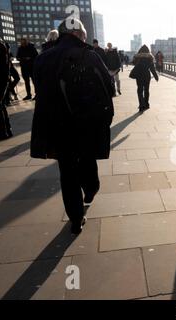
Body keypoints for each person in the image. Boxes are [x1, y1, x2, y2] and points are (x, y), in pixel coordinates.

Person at [31, 18, 114, 235]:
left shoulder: (42, 58)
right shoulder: (89, 56)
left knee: (66, 171)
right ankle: (91, 188)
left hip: (55, 126)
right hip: (85, 123)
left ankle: (76, 219)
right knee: (87, 158)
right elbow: (109, 86)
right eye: (84, 36)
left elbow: (38, 89)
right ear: (78, 34)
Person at [130, 45, 159, 112]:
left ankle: (141, 105)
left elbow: (133, 63)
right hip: (146, 75)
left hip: (139, 75)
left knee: (139, 90)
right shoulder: (150, 57)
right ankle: (146, 104)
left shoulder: (137, 56)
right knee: (146, 90)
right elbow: (152, 68)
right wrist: (155, 76)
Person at [0, 37, 12, 140]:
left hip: (1, 79)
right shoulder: (2, 45)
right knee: (1, 105)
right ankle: (7, 130)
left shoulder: (0, 46)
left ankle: (3, 132)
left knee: (0, 106)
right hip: (3, 79)